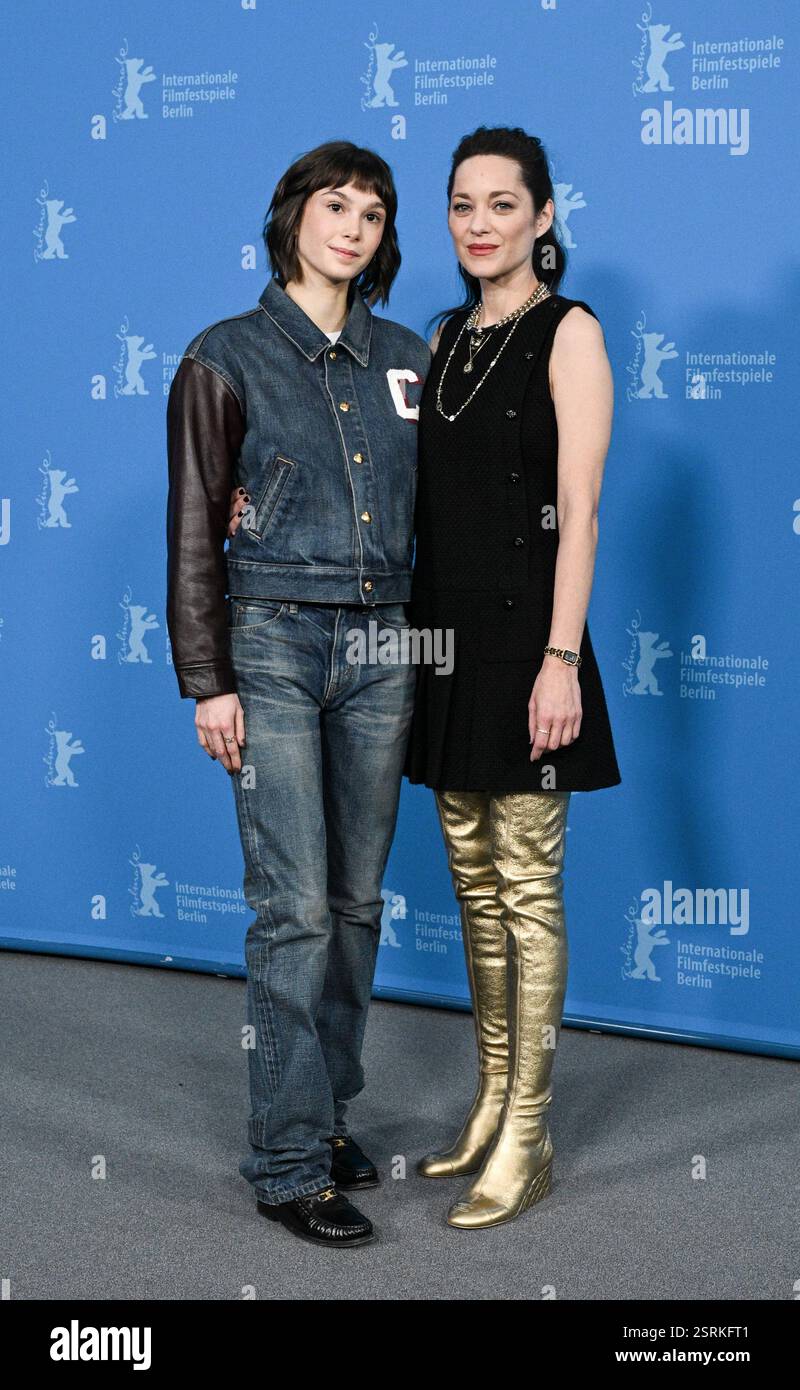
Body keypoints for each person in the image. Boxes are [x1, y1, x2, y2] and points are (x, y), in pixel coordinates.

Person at [165, 141, 430, 1248]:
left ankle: (324, 1117)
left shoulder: (409, 355)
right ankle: (283, 1161)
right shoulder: (225, 355)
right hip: (269, 643)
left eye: (372, 212)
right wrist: (206, 679)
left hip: (387, 645)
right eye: (335, 205)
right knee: (296, 910)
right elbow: (191, 527)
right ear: (292, 217)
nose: (353, 227)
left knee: (360, 906)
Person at [404, 125, 622, 1230]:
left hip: (529, 647)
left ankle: (528, 1132)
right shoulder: (442, 338)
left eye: (501, 203)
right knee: (472, 883)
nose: (478, 223)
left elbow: (577, 511)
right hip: (442, 649)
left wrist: (557, 661)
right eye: (460, 204)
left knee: (527, 888)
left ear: (542, 216)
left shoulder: (567, 332)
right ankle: (489, 1099)